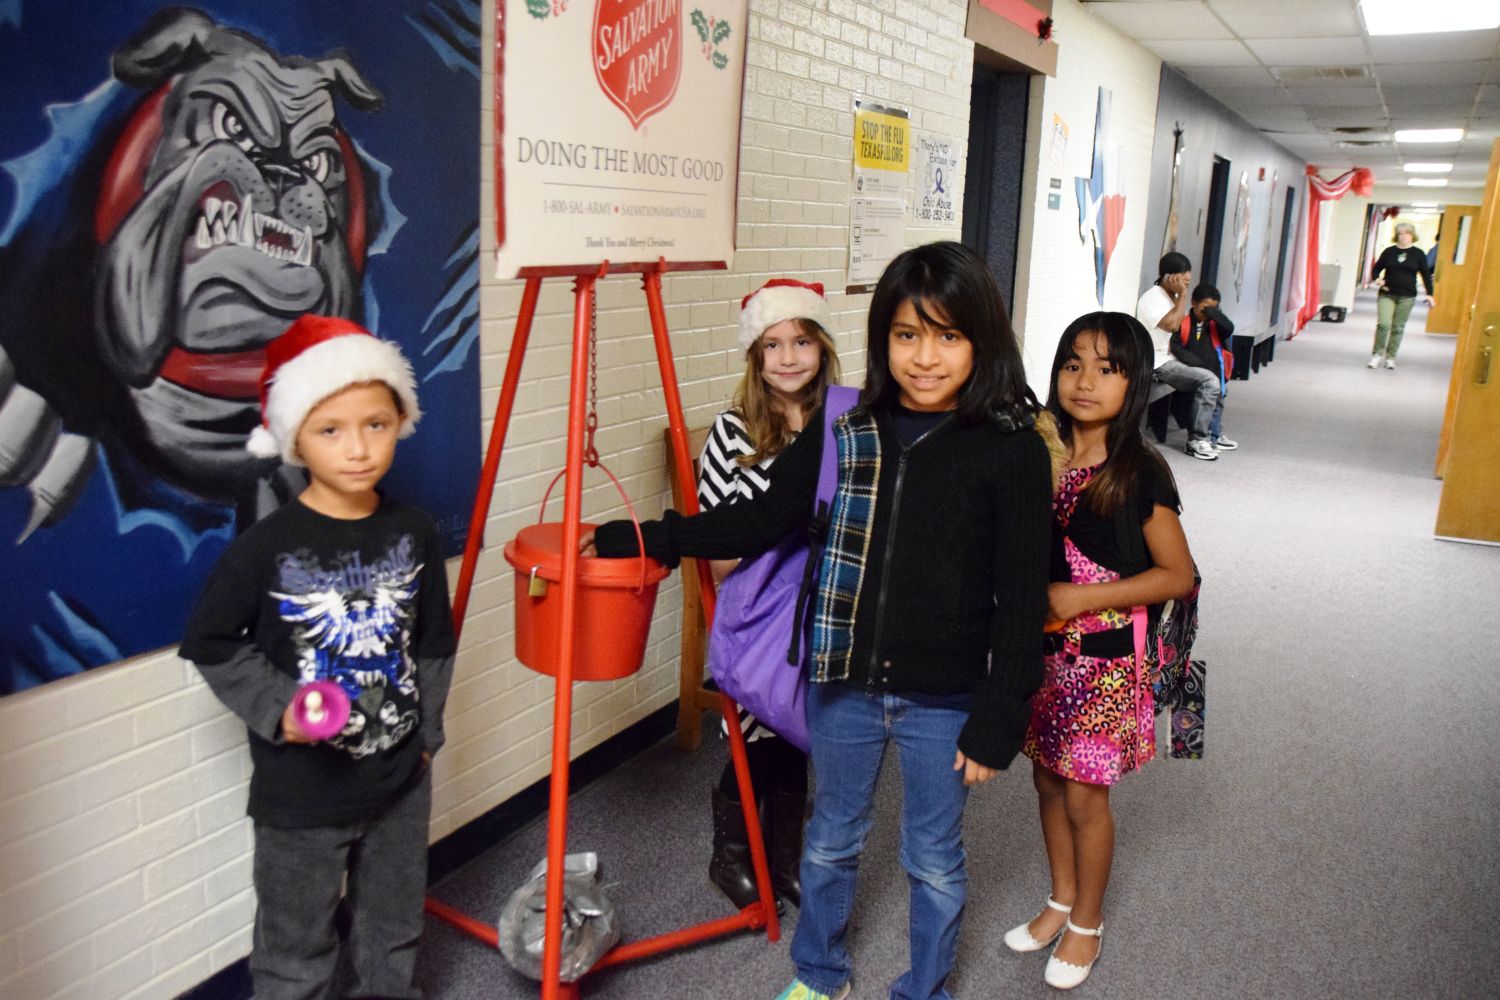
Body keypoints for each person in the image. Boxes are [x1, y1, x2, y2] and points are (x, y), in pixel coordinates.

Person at [587, 241, 1061, 1000]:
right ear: (882, 341)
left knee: (932, 856)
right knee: (834, 838)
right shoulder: (846, 424)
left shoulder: (1010, 452)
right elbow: (760, 520)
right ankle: (819, 974)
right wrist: (654, 538)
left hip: (945, 700)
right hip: (842, 682)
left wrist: (1000, 715)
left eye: (948, 335)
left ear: (983, 341)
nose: (926, 358)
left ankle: (927, 987)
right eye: (907, 336)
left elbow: (1020, 600)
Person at [180, 316, 455, 1000]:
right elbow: (211, 644)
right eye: (331, 429)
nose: (358, 448)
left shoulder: (415, 532)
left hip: (398, 782)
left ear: (400, 422)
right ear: (294, 437)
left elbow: (434, 642)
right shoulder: (264, 547)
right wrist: (280, 711)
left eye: (376, 424)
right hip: (300, 795)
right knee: (295, 948)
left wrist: (426, 738)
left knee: (391, 931)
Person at [1003, 312, 1196, 991]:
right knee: (1047, 779)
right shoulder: (1040, 454)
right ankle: (1060, 898)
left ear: (1135, 382)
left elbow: (1180, 575)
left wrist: (1080, 599)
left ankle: (1088, 921)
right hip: (1047, 659)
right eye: (1073, 364)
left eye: (1107, 369)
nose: (1085, 381)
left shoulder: (1138, 472)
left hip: (1108, 662)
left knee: (1086, 797)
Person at [698, 278, 842, 912]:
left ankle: (786, 859)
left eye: (801, 341)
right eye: (771, 345)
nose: (787, 357)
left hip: (827, 605)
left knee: (804, 728)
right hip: (758, 611)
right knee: (763, 729)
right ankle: (729, 856)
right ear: (754, 358)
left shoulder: (846, 422)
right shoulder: (732, 433)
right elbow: (720, 545)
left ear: (822, 347)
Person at [1135, 253, 1222, 462]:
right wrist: (1182, 295)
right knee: (1209, 380)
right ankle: (1197, 441)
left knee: (1211, 369)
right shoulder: (1153, 298)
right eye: (1184, 278)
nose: (1187, 282)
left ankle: (1213, 432)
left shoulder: (1168, 297)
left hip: (1168, 358)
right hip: (1156, 362)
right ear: (1169, 277)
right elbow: (1173, 325)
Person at [1174, 283, 1238, 453]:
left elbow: (1229, 328)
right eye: (1204, 308)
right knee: (1201, 406)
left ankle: (1215, 435)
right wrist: (1194, 362)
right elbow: (1176, 345)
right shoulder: (1185, 323)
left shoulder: (1215, 324)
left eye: (1214, 308)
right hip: (1197, 370)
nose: (1207, 313)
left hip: (1217, 370)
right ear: (1193, 303)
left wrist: (1213, 314)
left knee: (1217, 405)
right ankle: (1205, 436)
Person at [1365, 221, 1435, 371]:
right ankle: (1377, 354)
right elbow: (1376, 269)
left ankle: (1390, 357)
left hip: (1407, 296)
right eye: (1401, 234)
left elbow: (1425, 275)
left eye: (1407, 234)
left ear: (1412, 236)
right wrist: (1377, 279)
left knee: (1398, 327)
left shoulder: (1418, 254)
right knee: (1383, 324)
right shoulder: (1389, 252)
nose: (1403, 237)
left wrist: (1430, 294)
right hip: (1387, 292)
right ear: (1397, 236)